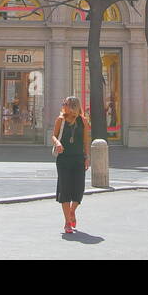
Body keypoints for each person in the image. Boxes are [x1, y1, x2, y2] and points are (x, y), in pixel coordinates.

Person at [53, 96, 91, 235]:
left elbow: (86, 141)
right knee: (65, 189)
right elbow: (54, 135)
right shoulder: (60, 120)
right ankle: (67, 222)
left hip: (78, 159)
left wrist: (87, 157)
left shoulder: (83, 121)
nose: (63, 105)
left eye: (66, 103)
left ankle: (72, 211)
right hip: (63, 159)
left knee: (79, 189)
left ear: (73, 106)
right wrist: (57, 143)